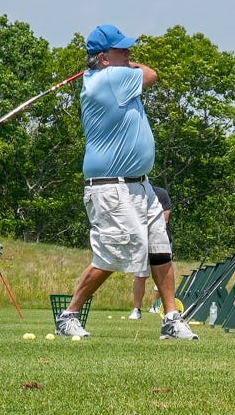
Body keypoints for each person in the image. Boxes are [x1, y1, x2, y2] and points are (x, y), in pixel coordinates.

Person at [53, 24, 195, 341]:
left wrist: (121, 63)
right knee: (112, 254)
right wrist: (128, 66)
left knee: (160, 249)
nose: (129, 53)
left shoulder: (109, 77)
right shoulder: (110, 80)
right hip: (112, 188)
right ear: (104, 58)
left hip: (140, 186)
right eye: (122, 50)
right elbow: (151, 74)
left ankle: (171, 319)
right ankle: (69, 315)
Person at [128, 184, 171, 319]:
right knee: (140, 275)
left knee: (162, 275)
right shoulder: (136, 194)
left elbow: (165, 218)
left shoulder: (161, 193)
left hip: (160, 239)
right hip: (141, 241)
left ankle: (158, 306)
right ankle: (136, 309)